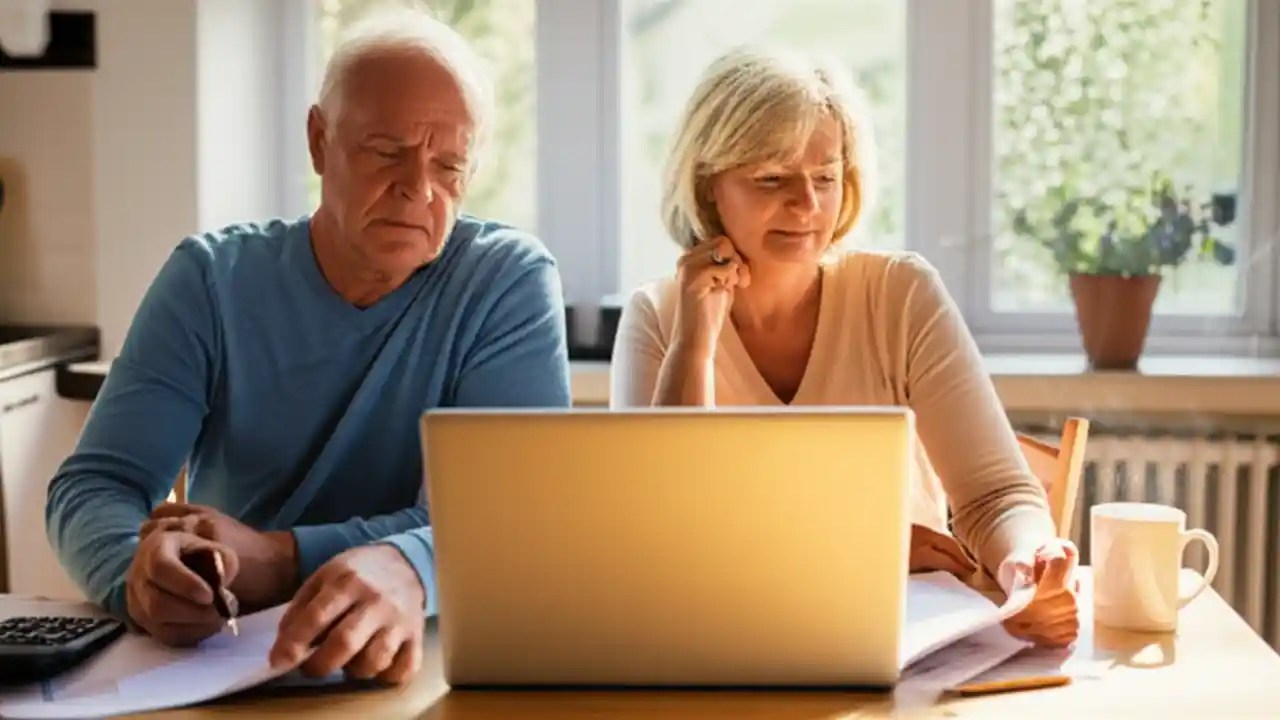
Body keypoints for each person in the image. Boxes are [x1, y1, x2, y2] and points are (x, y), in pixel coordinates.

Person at [45, 9, 571, 684]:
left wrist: (327, 559)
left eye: (449, 165)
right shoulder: (210, 280)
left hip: (429, 663)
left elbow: (514, 513)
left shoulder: (506, 280)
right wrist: (133, 574)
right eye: (386, 151)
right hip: (228, 657)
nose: (418, 188)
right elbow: (96, 485)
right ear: (319, 140)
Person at [610, 47, 1079, 647]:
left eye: (826, 177)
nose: (808, 206)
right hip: (722, 643)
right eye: (772, 179)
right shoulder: (656, 318)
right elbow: (664, 544)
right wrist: (696, 341)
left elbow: (996, 495)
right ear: (708, 190)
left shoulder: (900, 294)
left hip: (900, 640)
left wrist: (1027, 563)